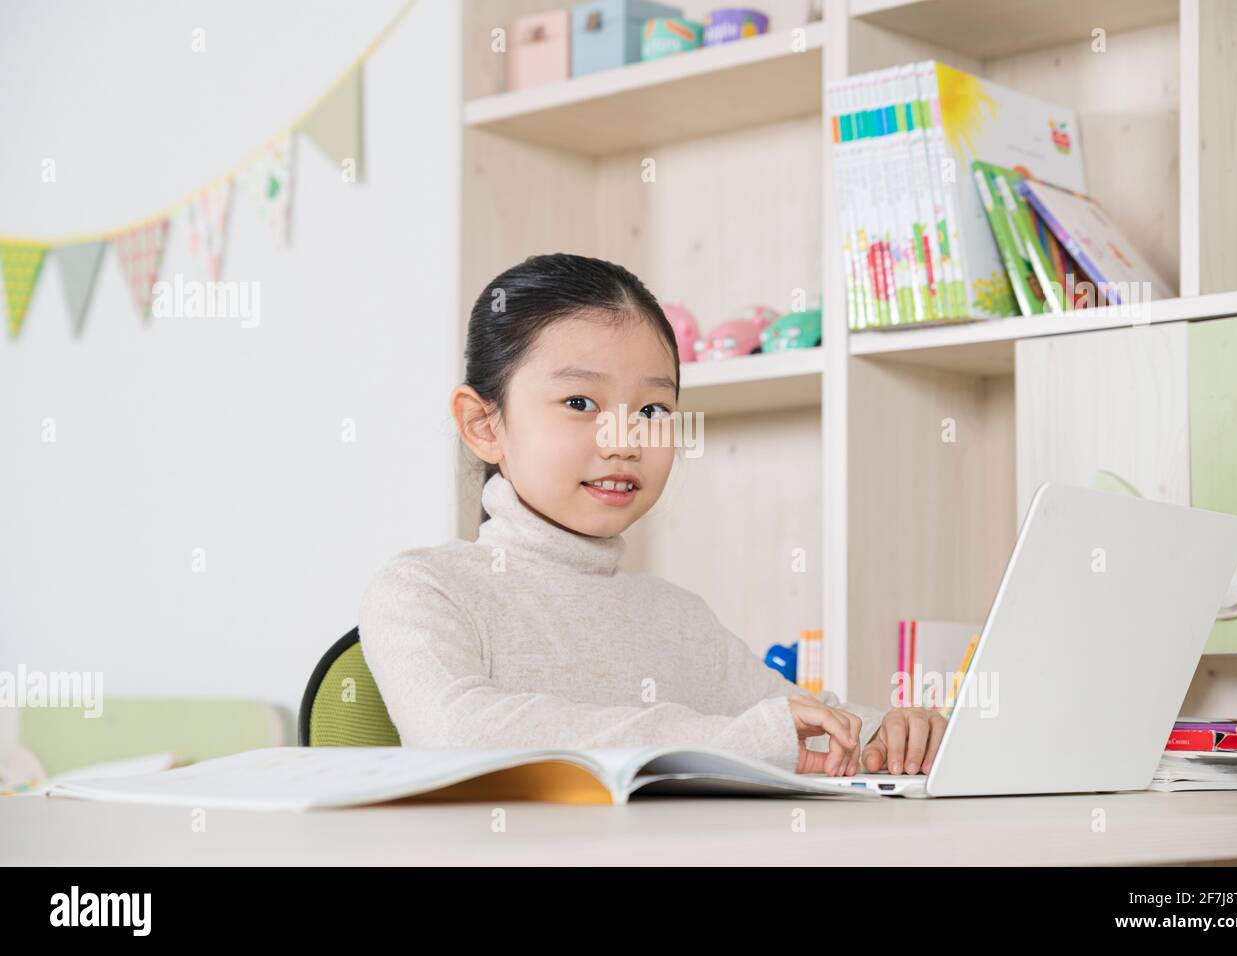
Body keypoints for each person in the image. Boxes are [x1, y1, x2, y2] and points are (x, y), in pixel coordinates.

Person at [359, 253, 946, 776]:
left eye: (653, 408)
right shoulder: (424, 589)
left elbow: (809, 726)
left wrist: (896, 734)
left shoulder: (681, 621)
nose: (625, 440)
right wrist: (750, 738)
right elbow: (458, 735)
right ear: (483, 425)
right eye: (579, 402)